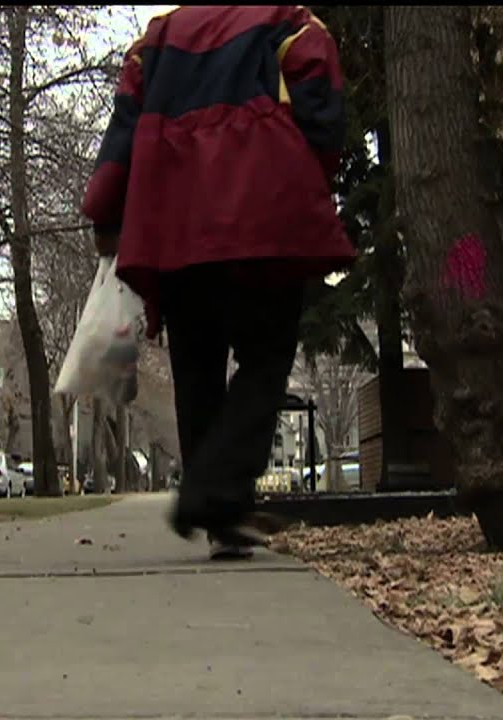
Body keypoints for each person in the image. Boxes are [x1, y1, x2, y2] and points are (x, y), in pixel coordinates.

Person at [81, 6, 355, 558]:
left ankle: (215, 509)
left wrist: (106, 214)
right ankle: (217, 497)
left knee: (196, 364)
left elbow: (123, 133)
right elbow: (322, 109)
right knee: (266, 358)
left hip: (176, 227)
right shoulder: (291, 22)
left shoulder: (156, 42)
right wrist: (304, 173)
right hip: (263, 219)